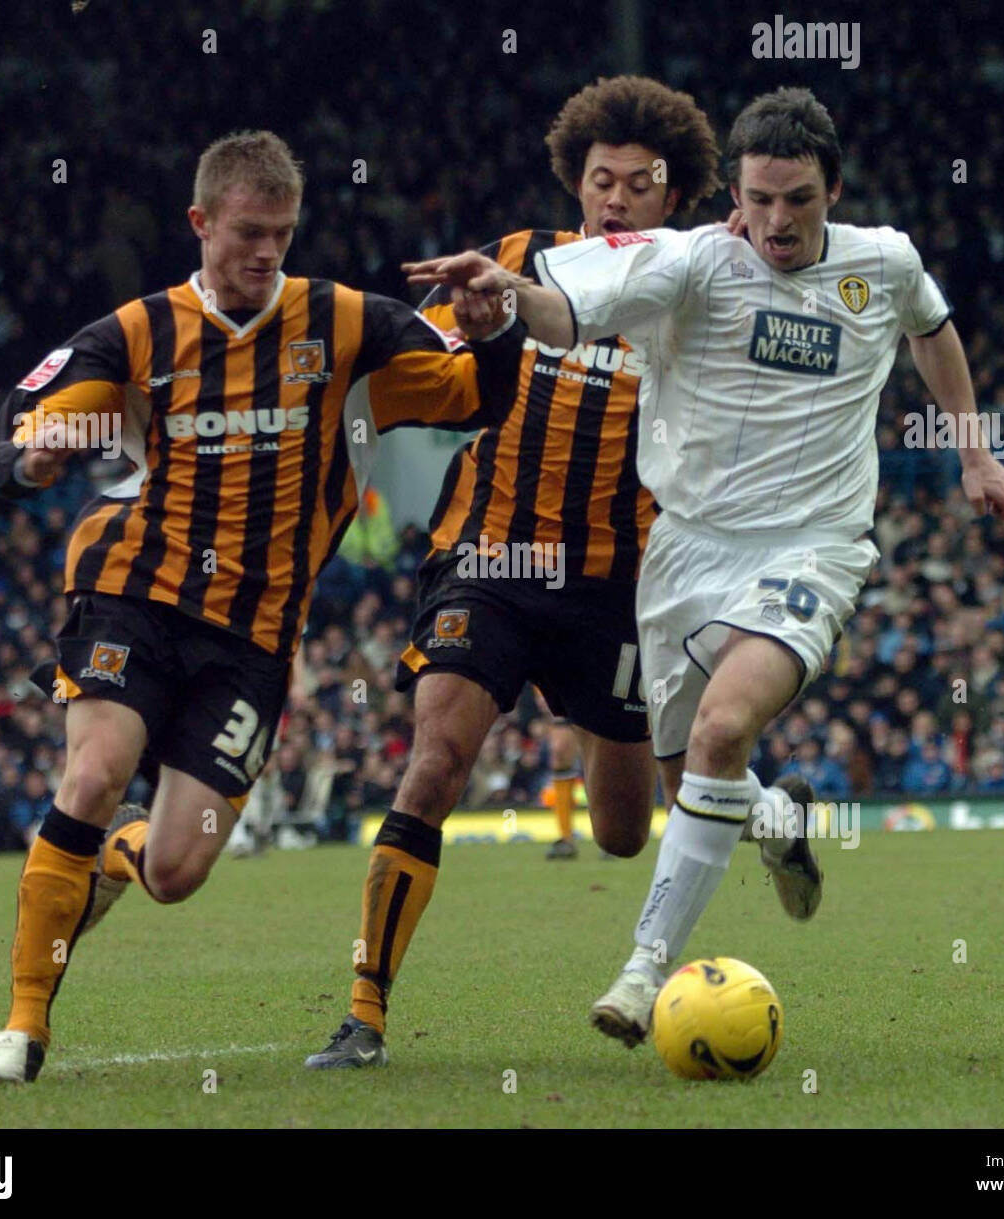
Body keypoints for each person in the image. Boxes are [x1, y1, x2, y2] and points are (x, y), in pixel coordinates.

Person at [407, 86, 1004, 1047]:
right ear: (734, 195)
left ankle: (644, 969)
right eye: (762, 200)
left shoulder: (883, 261)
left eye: (801, 201)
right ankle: (780, 821)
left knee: (722, 732)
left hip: (812, 548)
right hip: (683, 553)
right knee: (680, 777)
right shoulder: (690, 262)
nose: (778, 223)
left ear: (834, 193)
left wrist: (974, 449)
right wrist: (503, 298)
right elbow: (563, 313)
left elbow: (930, 326)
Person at [0, 129, 525, 1083]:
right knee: (95, 771)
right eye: (249, 233)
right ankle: (20, 1032)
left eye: (283, 234)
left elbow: (476, 398)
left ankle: (116, 859)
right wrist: (31, 460)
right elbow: (6, 446)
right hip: (132, 595)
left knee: (176, 872)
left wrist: (498, 325)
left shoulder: (347, 323)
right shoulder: (136, 332)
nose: (266, 253)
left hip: (256, 636)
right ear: (201, 223)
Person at [305, 76, 726, 1069]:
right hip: (487, 559)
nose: (614, 200)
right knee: (436, 756)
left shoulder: (695, 298)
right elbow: (422, 378)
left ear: (673, 201)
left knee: (622, 832)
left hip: (616, 586)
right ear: (574, 183)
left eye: (637, 185)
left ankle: (576, 706)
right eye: (599, 180)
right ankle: (362, 1013)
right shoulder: (504, 265)